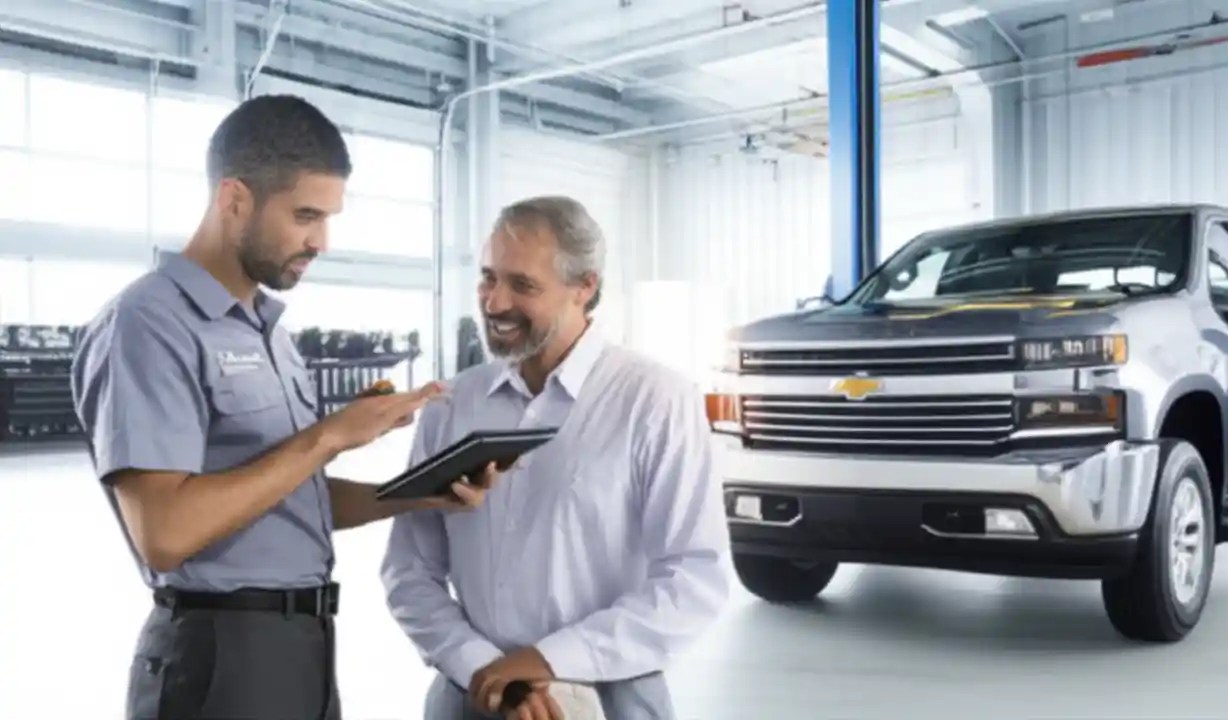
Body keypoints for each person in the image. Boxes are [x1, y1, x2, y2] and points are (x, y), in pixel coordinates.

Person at [70, 94, 498, 720]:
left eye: (328, 217)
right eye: (304, 215)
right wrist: (327, 435)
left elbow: (290, 497)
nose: (321, 240)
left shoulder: (266, 330)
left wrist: (415, 494)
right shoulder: (148, 324)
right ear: (234, 199)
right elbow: (163, 534)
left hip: (302, 646)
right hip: (221, 656)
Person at [381, 196, 732, 720]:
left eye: (522, 285)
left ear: (584, 287)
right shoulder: (453, 402)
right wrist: (479, 664)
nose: (495, 302)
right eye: (487, 278)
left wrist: (547, 659)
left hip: (609, 698)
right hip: (469, 696)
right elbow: (409, 568)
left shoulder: (655, 400)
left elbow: (693, 576)